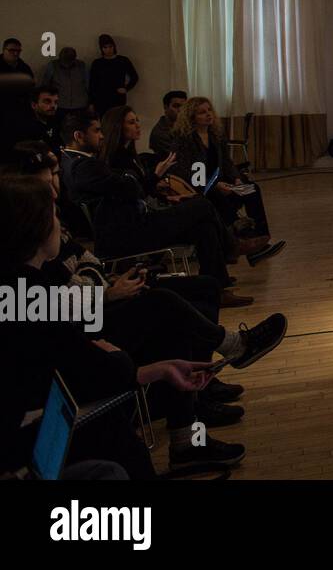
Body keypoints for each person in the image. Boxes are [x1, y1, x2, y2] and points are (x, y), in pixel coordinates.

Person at [0, 176, 219, 478]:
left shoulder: (23, 285)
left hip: (50, 405)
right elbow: (97, 368)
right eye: (53, 213)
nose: (59, 222)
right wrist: (111, 354)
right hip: (26, 436)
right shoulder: (30, 293)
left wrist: (152, 367)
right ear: (34, 226)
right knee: (113, 437)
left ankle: (187, 435)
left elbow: (94, 358)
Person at [62, 105, 254, 308]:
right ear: (79, 136)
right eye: (96, 131)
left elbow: (131, 187)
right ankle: (232, 247)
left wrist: (142, 182)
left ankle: (217, 287)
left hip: (135, 221)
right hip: (128, 232)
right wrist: (150, 178)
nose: (101, 136)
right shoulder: (85, 166)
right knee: (202, 205)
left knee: (203, 226)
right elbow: (130, 188)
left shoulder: (81, 162)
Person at [171, 97, 281, 262]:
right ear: (192, 117)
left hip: (220, 181)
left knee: (251, 189)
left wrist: (237, 179)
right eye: (202, 112)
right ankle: (248, 241)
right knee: (218, 197)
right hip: (201, 186)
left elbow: (227, 163)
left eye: (209, 110)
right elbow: (193, 174)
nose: (208, 115)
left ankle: (261, 237)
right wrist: (215, 185)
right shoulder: (186, 140)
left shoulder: (215, 134)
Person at [2, 84, 60, 160]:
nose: (53, 106)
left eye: (56, 102)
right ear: (34, 105)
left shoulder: (55, 123)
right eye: (47, 101)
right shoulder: (22, 127)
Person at [87, 34, 138, 118]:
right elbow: (93, 84)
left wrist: (126, 88)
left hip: (117, 98)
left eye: (110, 46)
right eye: (105, 47)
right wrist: (91, 102)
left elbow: (134, 77)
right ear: (101, 49)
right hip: (101, 99)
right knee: (104, 122)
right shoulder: (97, 63)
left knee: (118, 121)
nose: (108, 50)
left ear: (114, 46)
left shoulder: (122, 60)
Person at [40, 47, 89, 123]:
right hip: (59, 106)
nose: (67, 65)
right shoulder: (52, 66)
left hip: (79, 106)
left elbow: (88, 85)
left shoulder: (82, 66)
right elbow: (45, 86)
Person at [0, 37, 35, 131]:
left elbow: (31, 87)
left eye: (18, 51)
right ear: (4, 50)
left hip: (19, 110)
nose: (15, 53)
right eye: (12, 50)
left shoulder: (24, 67)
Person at [150, 90, 187, 155]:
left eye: (184, 107)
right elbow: (178, 156)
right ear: (166, 107)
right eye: (176, 106)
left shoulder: (186, 126)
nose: (181, 110)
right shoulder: (160, 133)